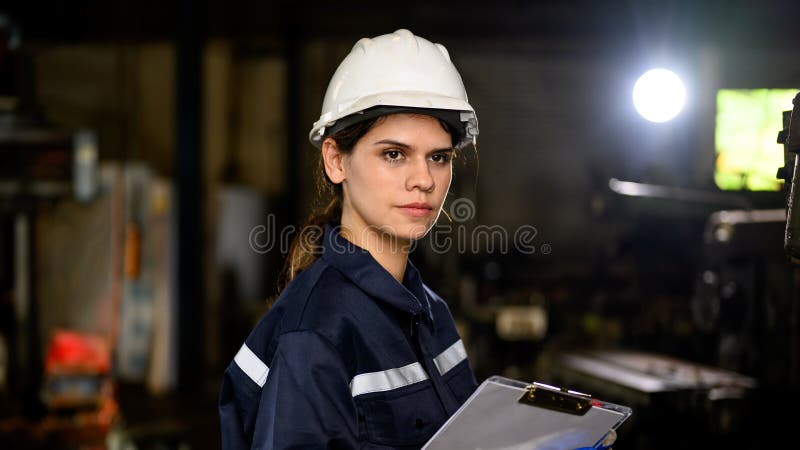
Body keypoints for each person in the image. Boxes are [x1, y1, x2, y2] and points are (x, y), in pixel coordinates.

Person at [218, 29, 480, 449]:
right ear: (336, 160)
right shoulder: (315, 337)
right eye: (394, 154)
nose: (424, 180)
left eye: (439, 157)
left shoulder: (433, 313)